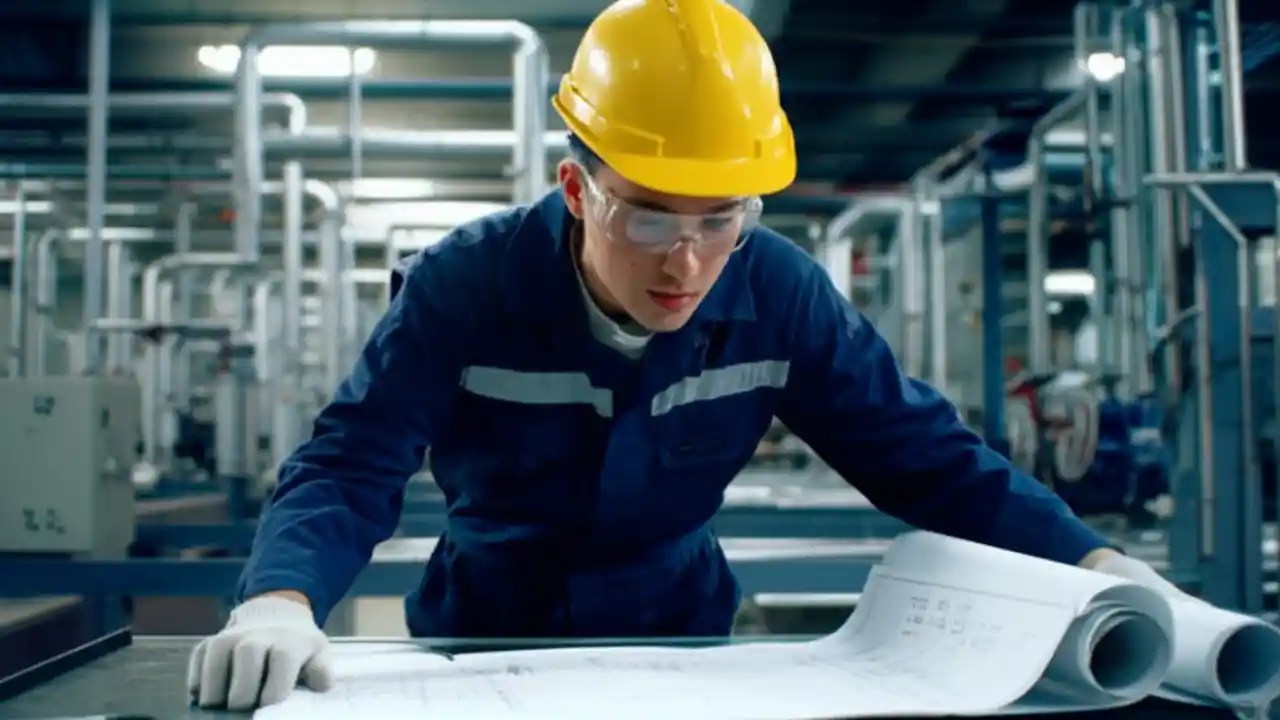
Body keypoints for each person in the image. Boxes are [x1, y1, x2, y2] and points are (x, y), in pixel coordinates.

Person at [187, 0, 1190, 711]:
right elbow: (351, 462)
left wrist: (1099, 564)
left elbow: (924, 458)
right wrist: (280, 600)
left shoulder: (778, 288)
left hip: (684, 643)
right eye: (650, 218)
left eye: (722, 220)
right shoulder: (465, 285)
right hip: (476, 640)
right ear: (578, 191)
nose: (689, 261)